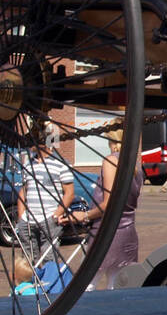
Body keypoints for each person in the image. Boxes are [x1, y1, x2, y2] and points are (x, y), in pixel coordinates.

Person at [60, 118, 141, 288]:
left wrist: (84, 215)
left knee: (85, 286)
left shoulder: (111, 161)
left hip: (107, 233)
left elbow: (108, 204)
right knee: (117, 286)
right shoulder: (136, 165)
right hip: (128, 233)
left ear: (111, 140)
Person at [16, 122, 74, 269]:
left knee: (50, 258)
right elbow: (24, 190)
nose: (31, 142)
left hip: (49, 218)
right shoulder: (29, 164)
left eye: (35, 138)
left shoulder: (61, 164)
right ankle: (31, 288)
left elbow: (69, 192)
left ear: (44, 141)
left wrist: (56, 215)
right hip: (28, 220)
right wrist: (21, 215)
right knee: (27, 260)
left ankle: (49, 289)